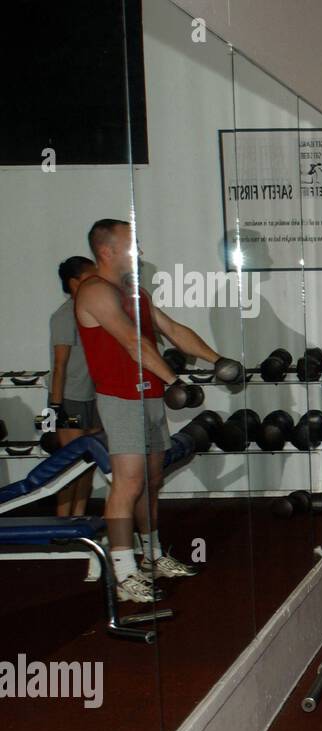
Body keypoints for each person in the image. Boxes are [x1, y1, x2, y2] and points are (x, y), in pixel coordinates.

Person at [75, 219, 231, 602]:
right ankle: (125, 573)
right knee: (127, 483)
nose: (140, 252)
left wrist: (217, 359)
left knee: (151, 480)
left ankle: (153, 556)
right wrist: (175, 381)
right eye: (132, 245)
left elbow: (172, 330)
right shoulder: (95, 292)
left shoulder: (135, 293)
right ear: (107, 251)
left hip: (147, 396)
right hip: (120, 399)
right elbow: (132, 343)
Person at [48, 256, 101, 518]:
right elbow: (59, 366)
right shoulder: (64, 316)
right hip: (69, 399)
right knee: (70, 466)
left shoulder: (91, 314)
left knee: (89, 463)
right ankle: (61, 523)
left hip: (93, 397)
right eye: (91, 278)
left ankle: (78, 519)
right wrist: (54, 411)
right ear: (74, 282)